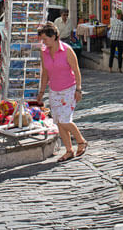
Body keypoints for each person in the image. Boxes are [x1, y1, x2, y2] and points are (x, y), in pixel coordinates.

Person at [36, 24, 88, 161]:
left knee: (65, 120)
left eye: (45, 39)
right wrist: (41, 92)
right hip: (54, 91)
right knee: (58, 122)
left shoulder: (67, 50)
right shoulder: (44, 51)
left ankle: (81, 141)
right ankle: (69, 150)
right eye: (42, 40)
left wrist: (78, 89)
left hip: (69, 90)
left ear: (54, 37)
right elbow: (45, 73)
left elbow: (76, 71)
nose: (43, 43)